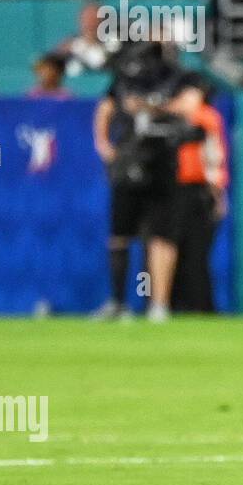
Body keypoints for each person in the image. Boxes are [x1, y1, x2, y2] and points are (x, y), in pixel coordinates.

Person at [92, 32, 203, 322]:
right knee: (121, 234)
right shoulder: (129, 75)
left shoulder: (180, 77)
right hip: (130, 161)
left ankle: (158, 304)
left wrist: (153, 106)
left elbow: (191, 106)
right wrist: (105, 146)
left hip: (164, 162)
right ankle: (118, 302)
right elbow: (107, 108)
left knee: (162, 237)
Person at [171, 86, 228, 313]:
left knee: (197, 253)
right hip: (174, 189)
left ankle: (200, 306)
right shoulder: (173, 117)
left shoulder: (206, 117)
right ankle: (171, 304)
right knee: (175, 251)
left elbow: (215, 158)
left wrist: (218, 194)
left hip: (200, 190)